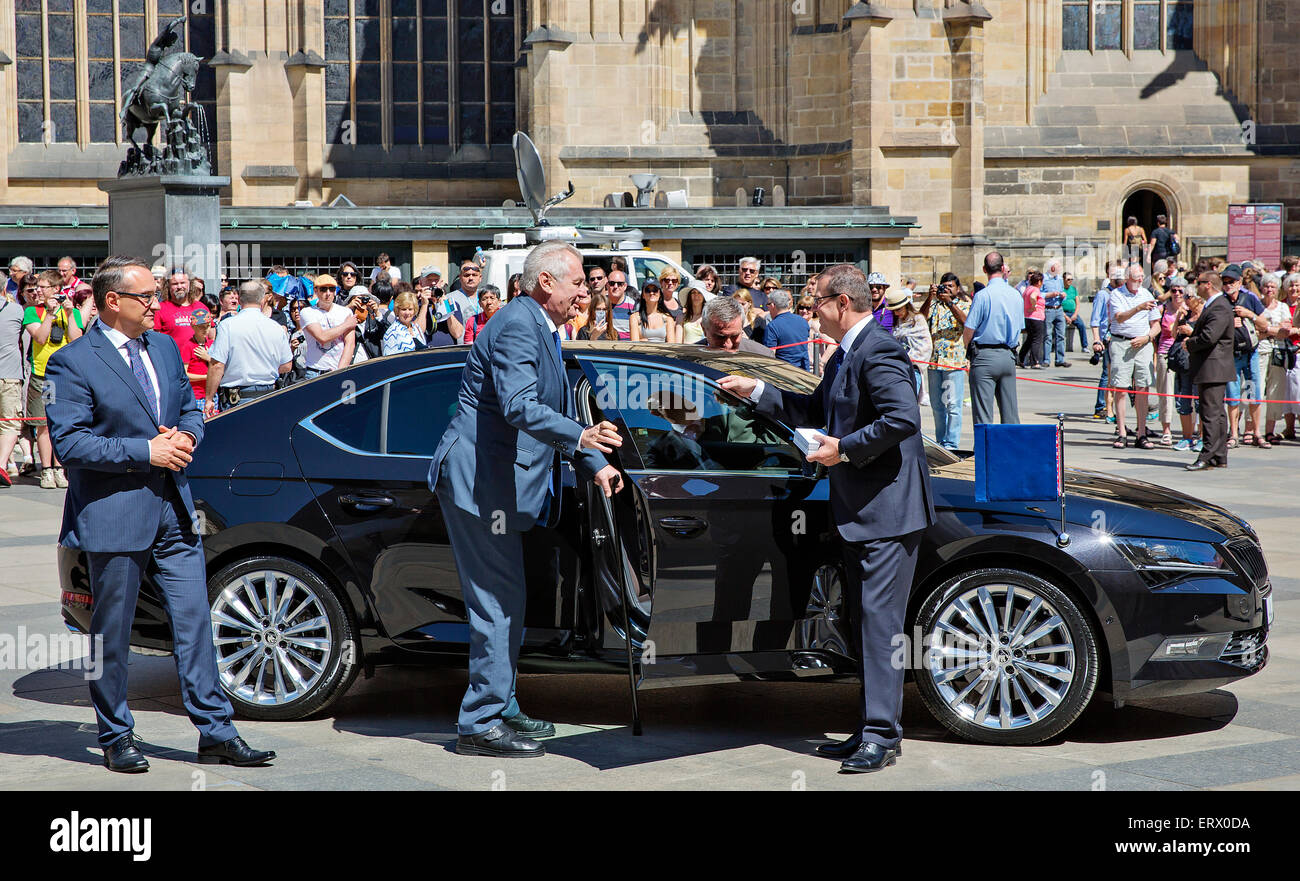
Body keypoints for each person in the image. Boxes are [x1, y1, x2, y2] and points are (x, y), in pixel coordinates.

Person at [44, 255, 277, 772]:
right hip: (114, 514)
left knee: (195, 624)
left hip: (174, 509)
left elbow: (191, 406)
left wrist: (189, 435)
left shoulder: (165, 347)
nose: (157, 303)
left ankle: (216, 732)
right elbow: (70, 443)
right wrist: (144, 451)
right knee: (112, 634)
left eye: (155, 294)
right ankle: (116, 734)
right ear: (112, 301)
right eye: (146, 296)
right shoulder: (72, 362)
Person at [717, 263, 935, 774]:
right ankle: (872, 727)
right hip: (861, 512)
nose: (811, 309)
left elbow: (903, 418)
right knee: (864, 624)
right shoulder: (845, 353)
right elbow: (813, 408)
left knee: (879, 627)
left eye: (816, 300)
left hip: (887, 513)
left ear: (842, 303)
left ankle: (881, 735)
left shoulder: (878, 349)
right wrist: (757, 391)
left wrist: (844, 449)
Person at [428, 240, 623, 758]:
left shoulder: (539, 324)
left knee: (507, 600)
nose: (585, 292)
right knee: (495, 603)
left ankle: (502, 704)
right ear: (546, 283)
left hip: (495, 485)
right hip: (479, 484)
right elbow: (518, 406)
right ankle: (479, 723)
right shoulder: (518, 323)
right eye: (578, 282)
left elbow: (553, 412)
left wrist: (594, 461)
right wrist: (582, 438)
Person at [24, 269, 88, 488]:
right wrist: (50, 313)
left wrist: (69, 313)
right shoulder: (33, 311)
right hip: (42, 375)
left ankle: (60, 468)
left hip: (66, 376)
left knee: (63, 423)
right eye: (37, 287)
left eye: (42, 287)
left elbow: (76, 339)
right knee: (43, 424)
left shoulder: (72, 311)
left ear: (56, 289)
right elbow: (40, 338)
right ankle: (46, 469)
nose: (38, 291)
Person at [204, 280, 294, 415]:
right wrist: (264, 369)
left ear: (240, 300)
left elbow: (217, 365)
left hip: (237, 399)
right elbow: (286, 365)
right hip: (268, 396)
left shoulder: (227, 326)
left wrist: (209, 399)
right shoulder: (276, 327)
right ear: (262, 300)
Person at [963, 252, 1024, 425]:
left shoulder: (983, 295)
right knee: (1011, 414)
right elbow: (1020, 326)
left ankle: (985, 444)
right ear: (1003, 268)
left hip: (984, 355)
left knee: (983, 416)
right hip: (1008, 355)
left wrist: (968, 351)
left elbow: (969, 329)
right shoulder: (1015, 295)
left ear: (984, 269)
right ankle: (1011, 442)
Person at [1185, 273, 1235, 471]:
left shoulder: (1219, 306)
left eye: (1199, 283)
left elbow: (1209, 337)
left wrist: (1189, 343)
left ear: (1208, 285)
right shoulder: (1213, 304)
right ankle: (1219, 455)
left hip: (1213, 367)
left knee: (1210, 413)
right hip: (1212, 366)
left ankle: (1207, 455)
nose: (1196, 287)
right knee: (1217, 413)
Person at [1106, 264, 1160, 449]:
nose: (1140, 280)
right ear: (1128, 278)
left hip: (1143, 344)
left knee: (1143, 388)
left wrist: (1147, 338)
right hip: (1122, 343)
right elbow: (1119, 317)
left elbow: (1156, 324)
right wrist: (1138, 308)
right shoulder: (1117, 294)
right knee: (1121, 388)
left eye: (1142, 277)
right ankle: (1122, 433)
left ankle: (1141, 433)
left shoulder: (1147, 294)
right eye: (1137, 277)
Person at [1220, 264, 1268, 449]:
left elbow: (1264, 324)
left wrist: (1249, 314)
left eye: (1231, 281)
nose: (1227, 285)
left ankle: (1257, 432)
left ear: (1239, 282)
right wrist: (1229, 323)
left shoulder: (1250, 298)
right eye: (1225, 282)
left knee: (1253, 393)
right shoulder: (1221, 301)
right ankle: (1233, 434)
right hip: (1231, 355)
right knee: (1232, 395)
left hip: (1251, 353)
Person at [923, 273, 968, 450]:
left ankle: (951, 442)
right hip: (934, 362)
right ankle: (941, 441)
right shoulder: (934, 305)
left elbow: (966, 322)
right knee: (937, 406)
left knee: (953, 405)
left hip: (953, 362)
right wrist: (930, 297)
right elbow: (920, 319)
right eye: (944, 286)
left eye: (950, 286)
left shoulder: (964, 304)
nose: (947, 289)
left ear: (957, 288)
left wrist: (949, 302)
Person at [300, 274, 357, 378]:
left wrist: (340, 372)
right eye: (323, 289)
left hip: (338, 370)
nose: (328, 293)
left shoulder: (345, 312)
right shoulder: (307, 312)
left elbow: (350, 344)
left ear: (335, 291)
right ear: (316, 291)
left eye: (331, 289)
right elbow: (322, 337)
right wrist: (346, 325)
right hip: (315, 372)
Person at [1152, 280, 1188, 446]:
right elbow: (1154, 330)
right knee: (1165, 393)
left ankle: (1188, 431)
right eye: (1174, 290)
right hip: (1165, 352)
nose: (1177, 294)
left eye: (1180, 291)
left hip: (1185, 353)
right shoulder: (1163, 309)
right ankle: (1166, 430)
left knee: (1186, 392)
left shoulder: (1190, 308)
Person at [1258, 275, 1293, 444]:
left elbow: (1285, 331)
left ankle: (1269, 431)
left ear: (1277, 289)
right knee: (1256, 389)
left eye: (1272, 287)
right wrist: (1274, 329)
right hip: (1259, 350)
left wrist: (1265, 329)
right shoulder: (1257, 304)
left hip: (1278, 351)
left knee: (1275, 391)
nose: (1269, 290)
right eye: (1266, 286)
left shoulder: (1283, 307)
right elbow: (1254, 329)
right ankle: (1253, 430)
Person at [0, 272, 26, 487]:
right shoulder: (16, 310)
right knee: (9, 423)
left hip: (9, 373)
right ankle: (1, 464)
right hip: (9, 374)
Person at [1090, 265, 1125, 421]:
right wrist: (1097, 339)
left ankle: (1116, 406)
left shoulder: (1122, 294)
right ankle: (1101, 406)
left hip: (1120, 336)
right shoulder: (1103, 295)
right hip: (1106, 338)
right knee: (1106, 374)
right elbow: (1095, 319)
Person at [886, 288, 930, 394]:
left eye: (898, 309)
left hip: (913, 368)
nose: (896, 313)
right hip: (898, 369)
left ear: (906, 306)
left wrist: (910, 358)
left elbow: (925, 346)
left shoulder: (918, 319)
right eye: (893, 310)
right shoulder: (897, 322)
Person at [700, 296, 773, 355]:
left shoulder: (763, 356)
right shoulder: (693, 357)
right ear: (704, 329)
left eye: (734, 336)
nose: (728, 345)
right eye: (721, 337)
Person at [763, 289, 811, 371]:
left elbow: (769, 355)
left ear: (773, 305)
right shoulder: (803, 321)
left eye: (768, 304)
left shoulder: (772, 326)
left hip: (783, 372)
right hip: (803, 371)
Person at [176, 306, 212, 412]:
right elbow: (185, 374)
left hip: (211, 394)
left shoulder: (211, 344)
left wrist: (208, 358)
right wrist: (206, 377)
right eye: (201, 327)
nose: (205, 330)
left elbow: (220, 365)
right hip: (196, 395)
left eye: (208, 326)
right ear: (193, 327)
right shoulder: (188, 346)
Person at [382, 290, 428, 355]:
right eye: (403, 309)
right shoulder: (392, 332)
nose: (407, 313)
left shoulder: (416, 328)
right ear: (397, 310)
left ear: (414, 310)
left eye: (410, 309)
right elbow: (389, 358)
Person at [1041, 260, 1068, 367]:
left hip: (1059, 309)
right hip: (1048, 309)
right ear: (1052, 268)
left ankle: (1060, 359)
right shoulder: (1043, 279)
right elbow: (1039, 293)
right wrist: (1049, 294)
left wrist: (1063, 295)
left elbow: (1063, 292)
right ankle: (1046, 360)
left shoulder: (1060, 279)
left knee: (1061, 335)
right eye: (1058, 266)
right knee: (1047, 335)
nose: (1060, 269)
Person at [1018, 270, 1046, 369]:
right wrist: (1033, 306)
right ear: (1039, 282)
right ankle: (1034, 362)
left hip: (1027, 317)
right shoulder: (1035, 289)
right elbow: (1033, 297)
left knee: (1029, 339)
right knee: (1037, 339)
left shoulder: (1028, 288)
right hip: (1036, 317)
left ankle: (1020, 359)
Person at [604, 270, 638, 340]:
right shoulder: (601, 304)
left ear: (625, 286)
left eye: (619, 284)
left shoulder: (633, 305)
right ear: (607, 285)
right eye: (612, 283)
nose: (615, 286)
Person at [1062, 271, 1089, 353]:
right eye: (1068, 279)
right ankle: (1058, 347)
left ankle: (1084, 346)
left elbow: (1078, 303)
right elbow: (1058, 305)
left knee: (1081, 325)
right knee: (1060, 327)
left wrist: (1075, 314)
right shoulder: (1060, 289)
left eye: (1071, 279)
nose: (1070, 281)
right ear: (1063, 279)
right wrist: (1065, 317)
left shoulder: (1073, 289)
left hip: (1073, 313)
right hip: (1063, 313)